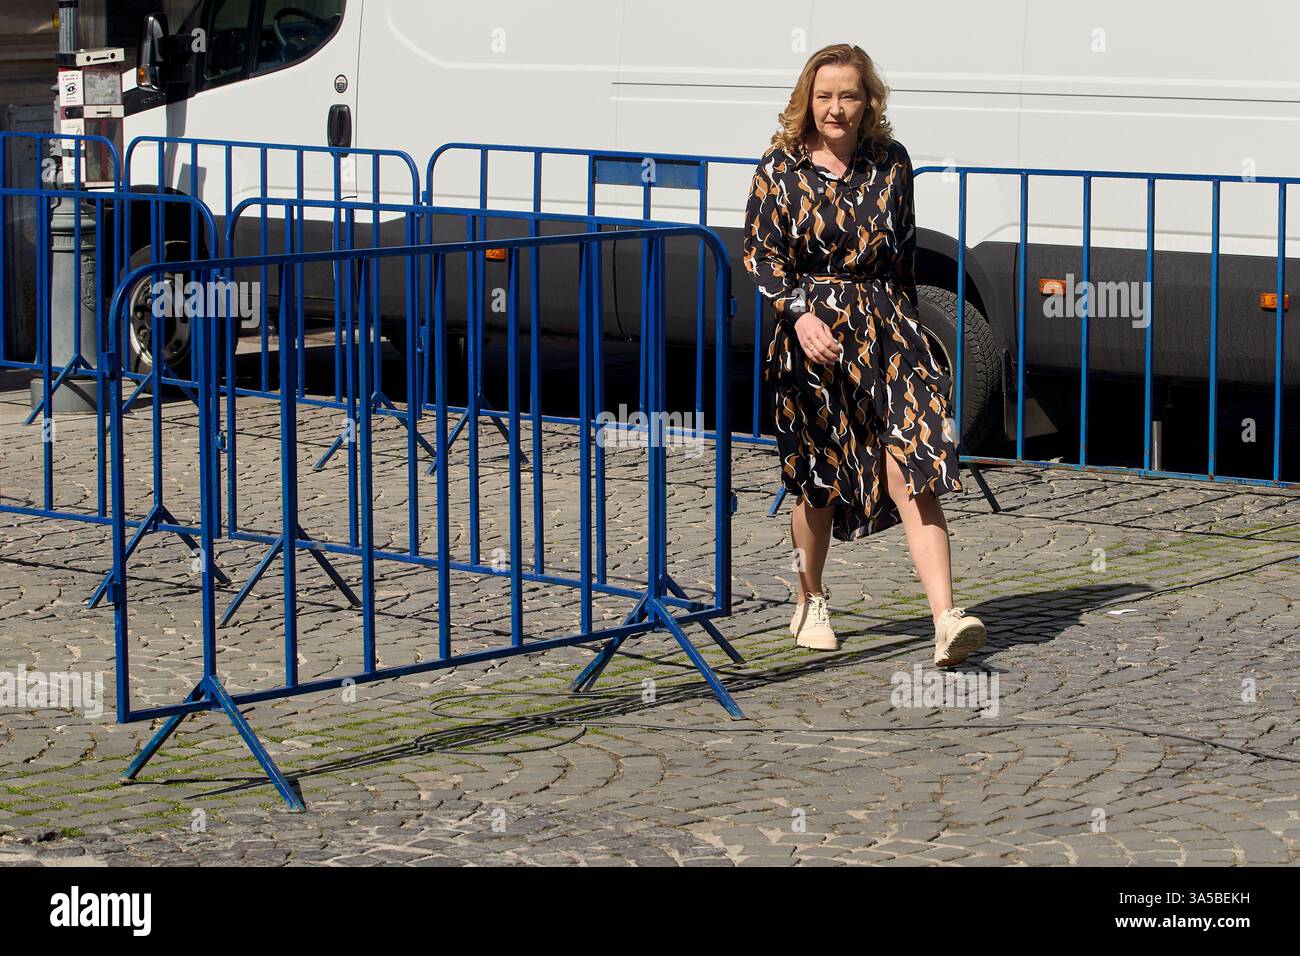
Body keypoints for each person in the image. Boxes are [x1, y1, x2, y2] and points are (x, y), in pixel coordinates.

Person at [742, 42, 987, 667]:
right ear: (807, 101)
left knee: (916, 459)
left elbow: (902, 251)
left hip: (888, 327)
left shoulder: (891, 162)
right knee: (819, 481)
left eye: (848, 95)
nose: (836, 108)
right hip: (812, 334)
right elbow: (762, 258)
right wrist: (798, 316)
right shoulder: (780, 168)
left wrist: (906, 328)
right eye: (824, 96)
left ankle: (945, 617)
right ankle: (811, 596)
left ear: (867, 100)